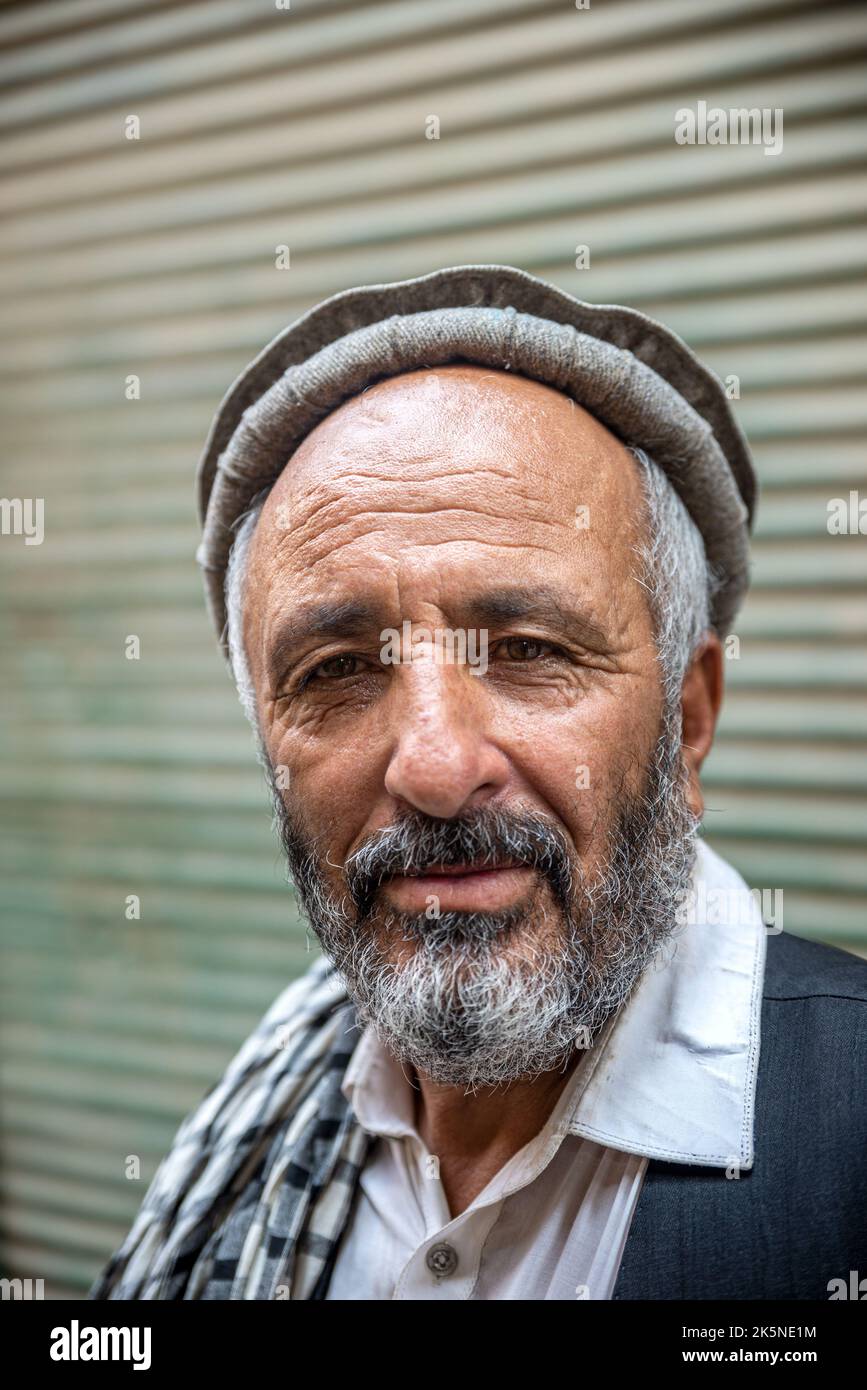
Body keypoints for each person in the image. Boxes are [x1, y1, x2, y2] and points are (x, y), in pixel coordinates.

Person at [90, 265, 867, 1301]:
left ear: (688, 719)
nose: (438, 768)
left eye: (530, 649)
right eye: (337, 672)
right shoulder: (269, 1104)